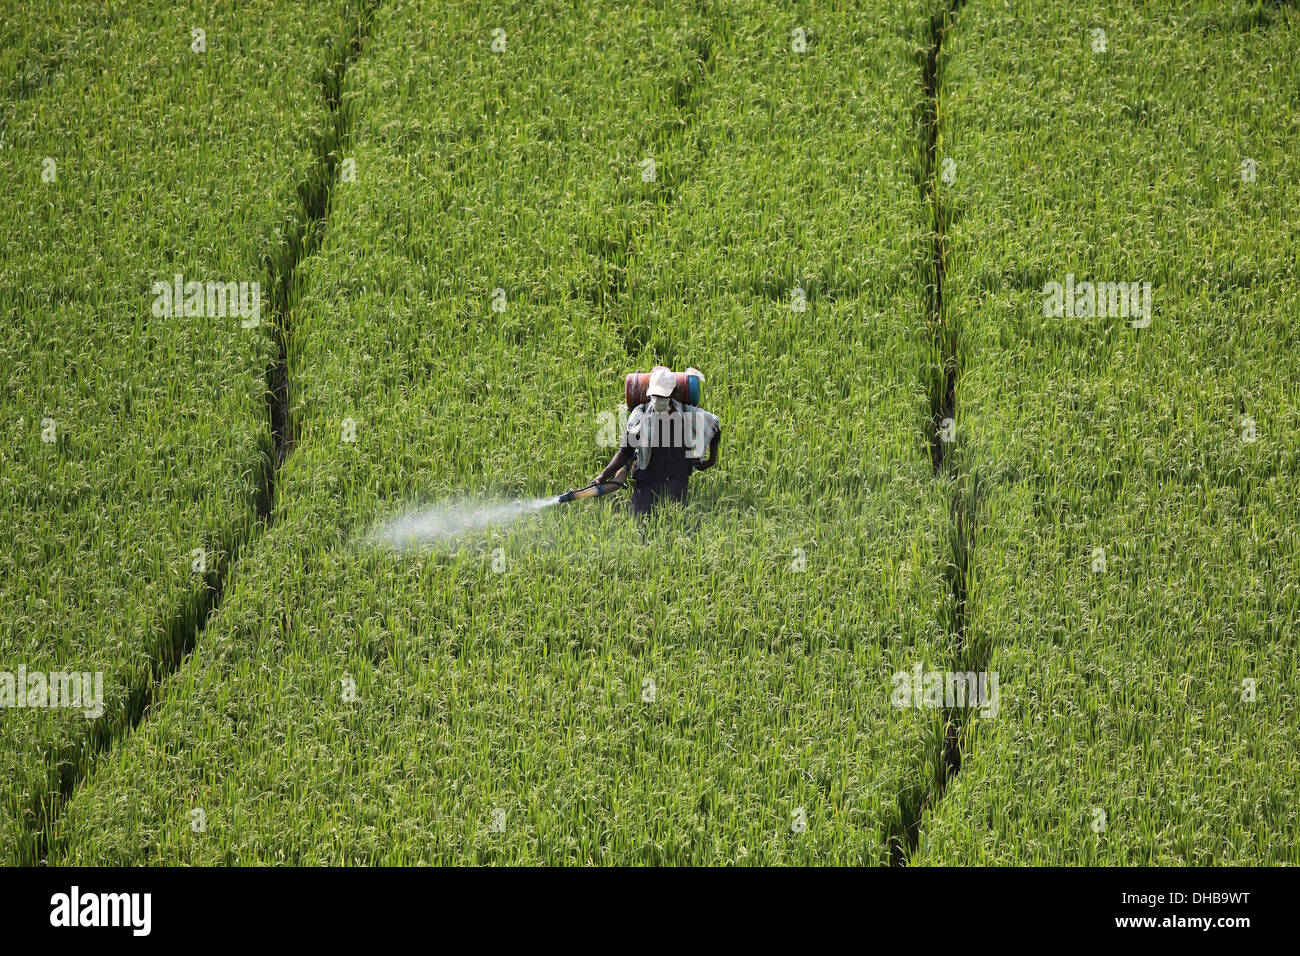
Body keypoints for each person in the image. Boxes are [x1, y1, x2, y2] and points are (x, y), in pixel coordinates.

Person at [595, 366, 720, 518]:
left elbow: (714, 425)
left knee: (676, 527)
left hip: (677, 481)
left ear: (673, 393)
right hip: (647, 481)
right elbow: (626, 451)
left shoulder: (687, 413)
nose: (658, 400)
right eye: (655, 395)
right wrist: (603, 475)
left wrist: (711, 460)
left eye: (662, 396)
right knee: (639, 527)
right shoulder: (640, 415)